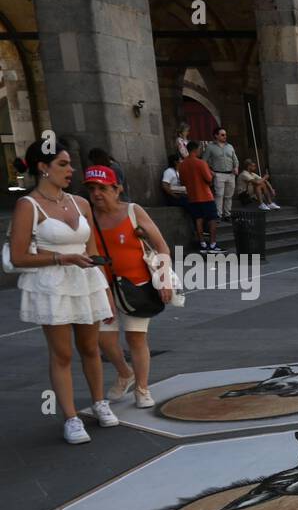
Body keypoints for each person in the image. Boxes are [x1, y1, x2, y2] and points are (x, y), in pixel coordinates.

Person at [11, 139, 116, 444]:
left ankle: (99, 402)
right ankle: (71, 417)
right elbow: (18, 257)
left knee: (91, 348)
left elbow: (94, 251)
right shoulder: (27, 205)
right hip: (51, 285)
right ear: (43, 168)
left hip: (85, 281)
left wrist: (105, 288)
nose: (71, 169)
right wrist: (61, 257)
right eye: (63, 164)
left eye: (70, 163)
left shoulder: (80, 203)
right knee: (62, 353)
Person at [86, 164, 174, 410]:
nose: (96, 194)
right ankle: (125, 373)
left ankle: (142, 388)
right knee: (104, 340)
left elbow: (162, 246)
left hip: (138, 286)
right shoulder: (88, 217)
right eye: (92, 189)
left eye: (102, 188)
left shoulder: (133, 211)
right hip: (103, 286)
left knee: (136, 338)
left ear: (117, 189)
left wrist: (165, 279)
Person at [179, 140, 220, 252]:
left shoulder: (182, 165)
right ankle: (212, 244)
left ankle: (202, 243)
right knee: (212, 219)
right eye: (200, 149)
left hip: (192, 197)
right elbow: (209, 179)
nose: (201, 151)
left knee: (198, 219)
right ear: (196, 149)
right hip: (205, 196)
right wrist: (211, 174)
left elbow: (182, 182)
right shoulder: (201, 163)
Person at [202, 127, 238, 221]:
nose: (225, 136)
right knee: (219, 195)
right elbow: (203, 161)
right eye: (222, 135)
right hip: (218, 174)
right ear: (216, 135)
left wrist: (236, 167)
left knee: (229, 196)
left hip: (231, 174)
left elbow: (235, 159)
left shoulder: (230, 146)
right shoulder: (210, 147)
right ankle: (218, 215)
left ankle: (227, 214)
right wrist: (210, 171)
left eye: (225, 134)